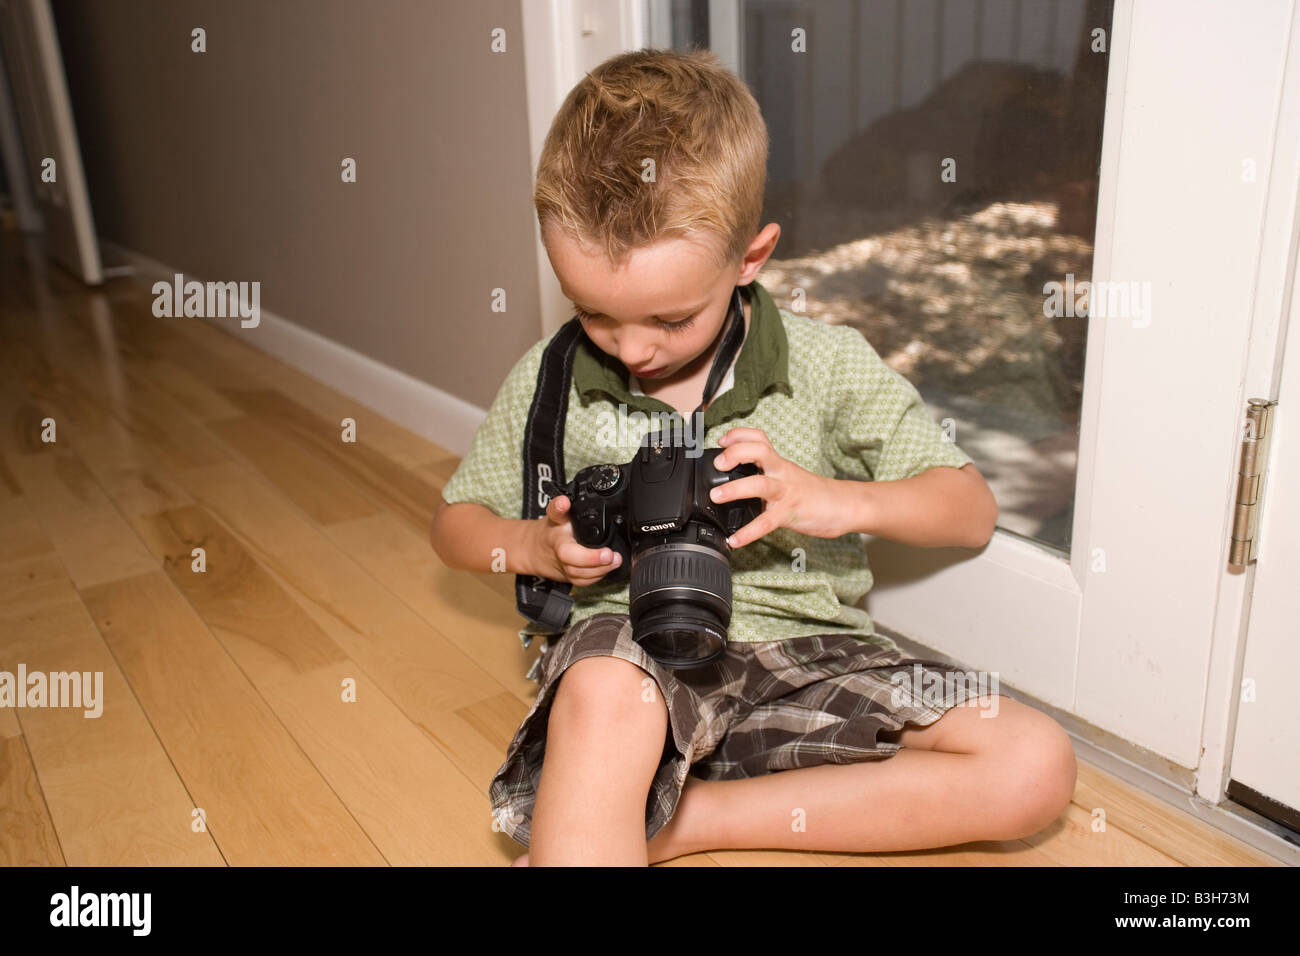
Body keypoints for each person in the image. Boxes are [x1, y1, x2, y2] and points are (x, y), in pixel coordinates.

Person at [430, 47, 1076, 866]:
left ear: (751, 259)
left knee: (1032, 763)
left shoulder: (826, 364)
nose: (633, 349)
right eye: (592, 311)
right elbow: (454, 527)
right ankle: (621, 804)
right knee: (599, 691)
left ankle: (675, 825)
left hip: (808, 659)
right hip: (636, 661)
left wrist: (830, 500)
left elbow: (968, 509)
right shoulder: (554, 377)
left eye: (669, 320)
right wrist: (534, 547)